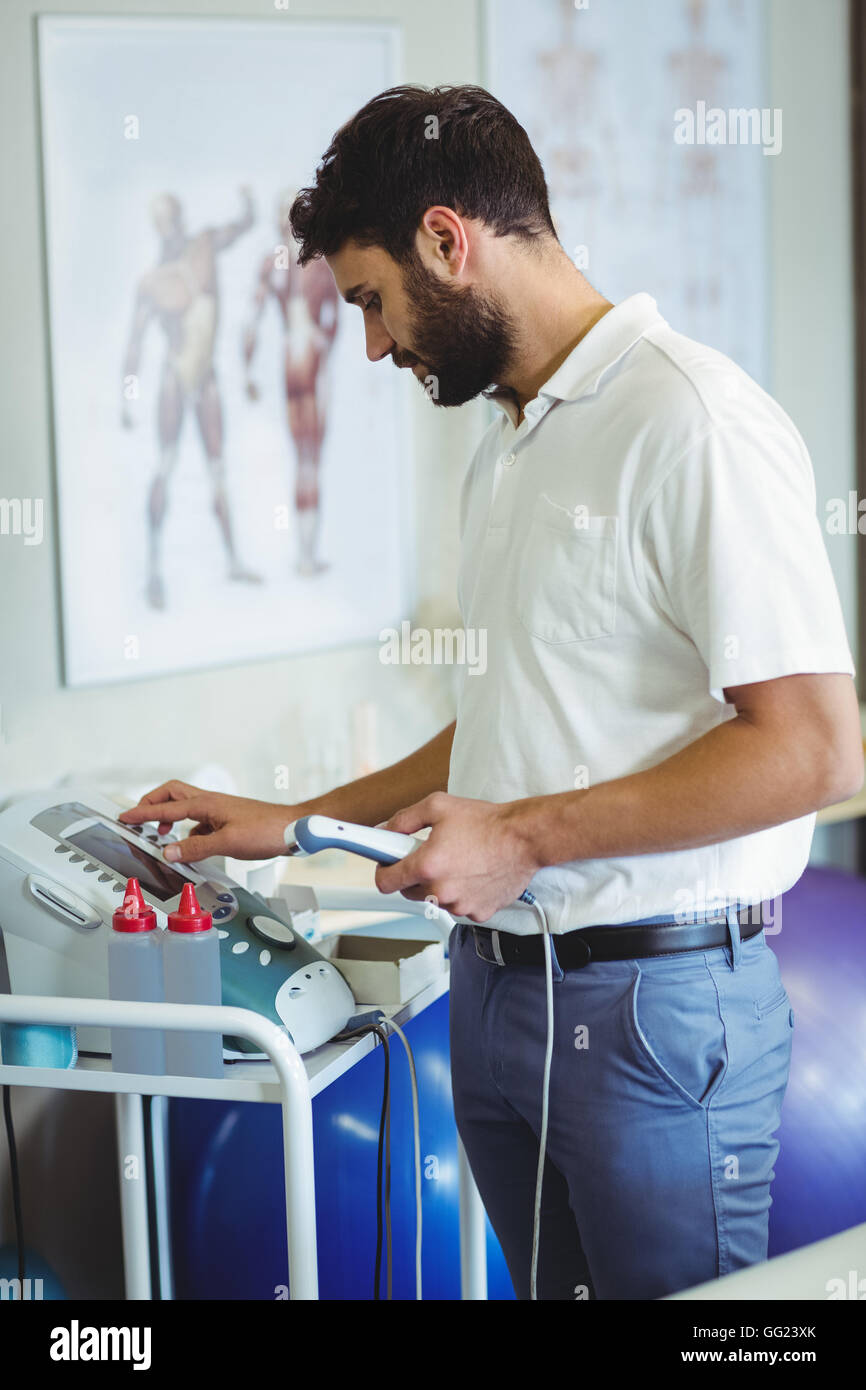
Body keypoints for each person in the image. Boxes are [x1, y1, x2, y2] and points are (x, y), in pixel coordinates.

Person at [120, 86, 863, 1300]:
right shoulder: (515, 439)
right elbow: (521, 717)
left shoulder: (689, 420)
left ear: (447, 240)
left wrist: (519, 836)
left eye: (371, 299)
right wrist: (293, 816)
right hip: (502, 990)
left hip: (655, 1015)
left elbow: (818, 749)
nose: (370, 345)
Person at [122, 189, 261, 609]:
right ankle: (153, 570)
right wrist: (125, 397)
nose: (170, 226)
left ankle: (233, 560)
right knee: (165, 465)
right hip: (175, 375)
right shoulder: (153, 283)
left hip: (204, 375)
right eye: (163, 221)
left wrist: (248, 209)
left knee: (217, 468)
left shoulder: (203, 247)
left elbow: (236, 230)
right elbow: (135, 342)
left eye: (171, 218)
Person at [243, 192, 340, 575]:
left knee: (303, 458)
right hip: (311, 358)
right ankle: (305, 554)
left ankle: (305, 553)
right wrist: (323, 345)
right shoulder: (318, 263)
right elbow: (333, 321)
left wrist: (247, 370)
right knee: (311, 459)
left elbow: (251, 322)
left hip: (291, 356)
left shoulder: (274, 263)